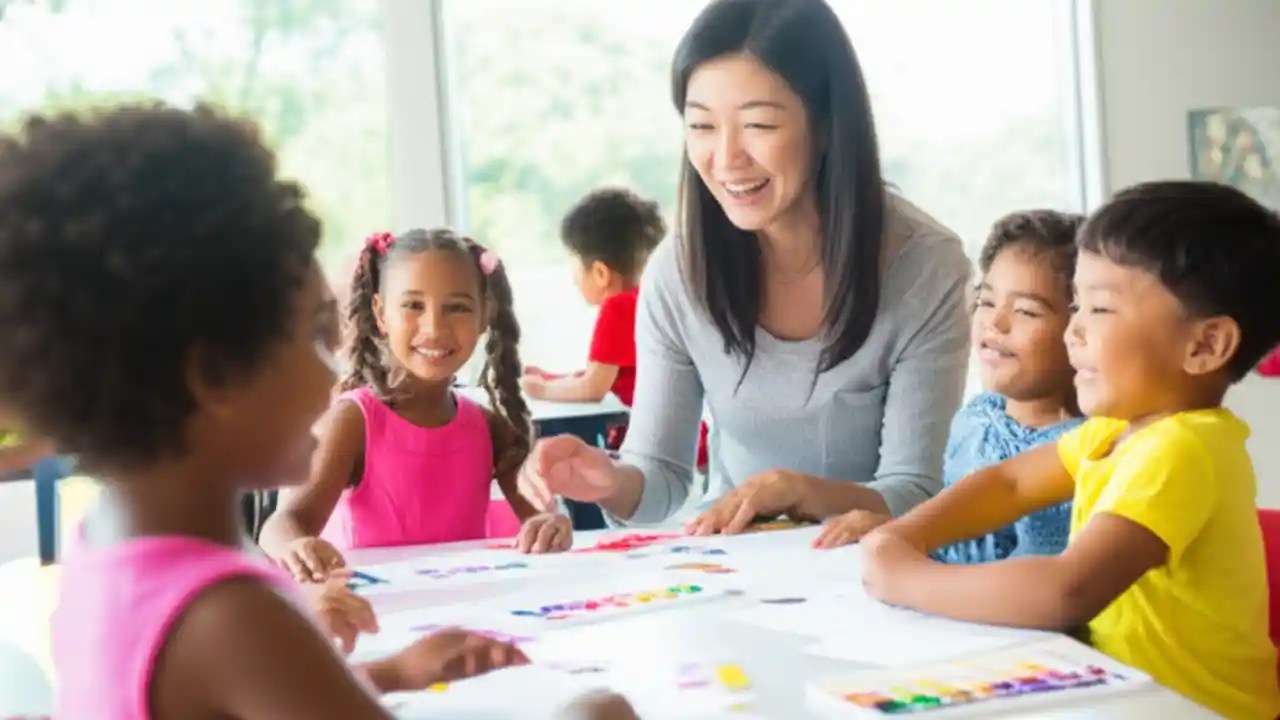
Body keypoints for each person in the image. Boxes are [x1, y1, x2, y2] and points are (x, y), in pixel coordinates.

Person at [0, 103, 530, 718]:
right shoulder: (235, 615)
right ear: (215, 373)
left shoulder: (107, 548)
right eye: (311, 335)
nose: (334, 368)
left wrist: (383, 674)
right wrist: (587, 714)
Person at [518, 0, 970, 533]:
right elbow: (660, 476)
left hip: (878, 574)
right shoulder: (680, 271)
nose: (726, 158)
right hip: (736, 570)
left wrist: (801, 493)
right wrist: (609, 481)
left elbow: (916, 490)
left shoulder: (926, 268)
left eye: (757, 124)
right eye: (702, 126)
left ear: (826, 124)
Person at [860, 181, 1280, 720]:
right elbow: (1007, 484)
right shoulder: (1112, 431)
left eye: (1099, 309)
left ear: (1204, 345)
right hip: (1123, 699)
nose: (1073, 331)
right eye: (1076, 304)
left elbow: (1068, 590)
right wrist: (905, 534)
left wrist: (903, 576)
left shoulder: (1183, 448)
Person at [261, 228, 573, 580]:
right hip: (374, 619)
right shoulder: (353, 422)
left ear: (485, 314)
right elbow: (282, 524)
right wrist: (296, 546)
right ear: (380, 313)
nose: (435, 327)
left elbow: (541, 516)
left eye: (457, 307)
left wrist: (551, 523)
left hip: (466, 616)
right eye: (413, 305)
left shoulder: (489, 428)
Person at [815, 210, 1084, 553]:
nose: (995, 324)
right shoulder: (976, 420)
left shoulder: (1087, 449)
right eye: (986, 301)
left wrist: (903, 535)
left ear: (1082, 329)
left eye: (1026, 311)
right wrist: (901, 530)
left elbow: (1022, 571)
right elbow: (958, 534)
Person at [520, 187, 711, 471]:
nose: (573, 279)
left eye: (575, 266)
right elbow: (617, 376)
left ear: (600, 273)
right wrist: (555, 378)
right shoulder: (657, 300)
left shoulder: (618, 309)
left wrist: (542, 389)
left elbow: (593, 388)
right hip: (696, 442)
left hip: (659, 454)